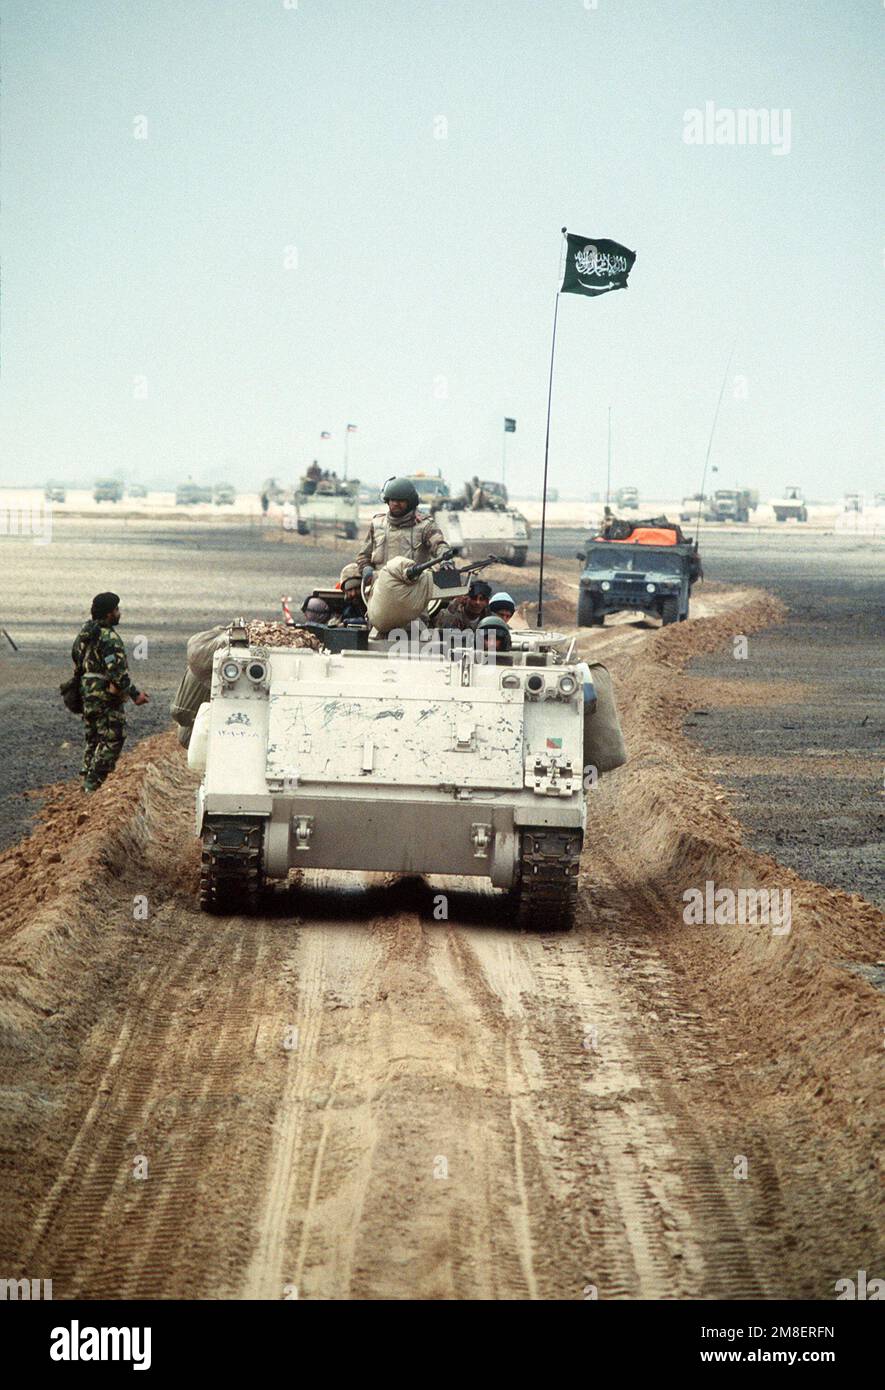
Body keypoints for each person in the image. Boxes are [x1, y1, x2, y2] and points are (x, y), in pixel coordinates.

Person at [73, 592, 149, 794]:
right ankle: (92, 785)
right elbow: (116, 671)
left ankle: (86, 778)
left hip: (87, 691)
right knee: (114, 737)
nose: (119, 613)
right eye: (116, 610)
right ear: (109, 614)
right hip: (105, 695)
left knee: (94, 737)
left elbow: (76, 657)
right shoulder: (109, 638)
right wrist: (135, 694)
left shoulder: (86, 632)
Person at [356, 477, 449, 576]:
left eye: (401, 500)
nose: (396, 504)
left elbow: (439, 545)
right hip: (382, 585)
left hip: (413, 585)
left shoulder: (425, 526)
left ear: (410, 502)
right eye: (393, 500)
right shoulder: (377, 524)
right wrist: (366, 568)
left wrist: (446, 558)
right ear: (387, 501)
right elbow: (364, 555)